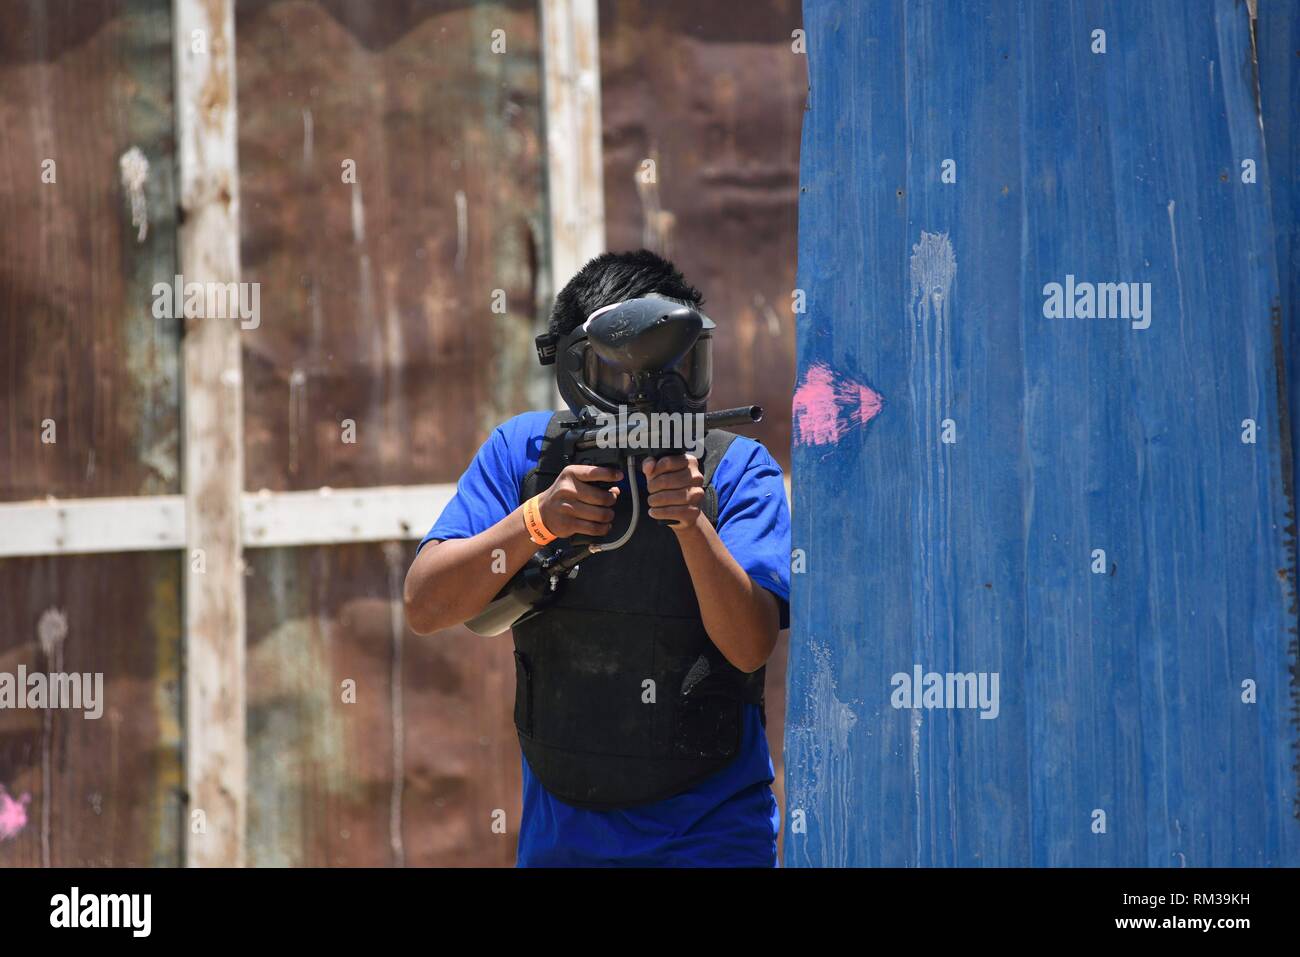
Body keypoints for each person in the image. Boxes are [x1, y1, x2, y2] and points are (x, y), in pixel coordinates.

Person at [404, 249, 791, 866]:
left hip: (711, 836)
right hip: (566, 839)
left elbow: (749, 646)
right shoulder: (527, 455)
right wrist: (538, 522)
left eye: (678, 368)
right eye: (624, 371)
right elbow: (426, 605)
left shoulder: (736, 470)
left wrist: (690, 524)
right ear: (578, 369)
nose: (651, 394)